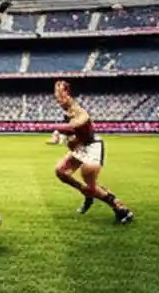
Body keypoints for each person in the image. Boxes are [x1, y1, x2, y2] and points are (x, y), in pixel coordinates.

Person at [51, 80, 134, 224]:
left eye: (61, 95)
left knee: (92, 187)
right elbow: (72, 132)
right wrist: (61, 136)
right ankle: (87, 193)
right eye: (56, 95)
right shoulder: (67, 111)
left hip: (92, 148)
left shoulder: (79, 111)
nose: (58, 99)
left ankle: (121, 209)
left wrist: (58, 129)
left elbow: (79, 123)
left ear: (69, 94)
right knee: (61, 171)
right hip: (81, 147)